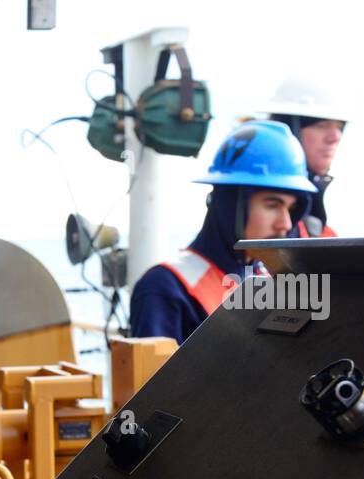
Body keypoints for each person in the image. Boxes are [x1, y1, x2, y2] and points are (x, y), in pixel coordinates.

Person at [128, 120, 316, 345]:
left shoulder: (267, 281)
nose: (285, 223)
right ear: (231, 205)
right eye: (272, 205)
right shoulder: (164, 289)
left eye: (291, 209)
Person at [266, 78, 348, 237]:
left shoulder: (322, 232)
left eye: (339, 127)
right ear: (289, 130)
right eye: (321, 125)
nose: (335, 137)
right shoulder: (259, 223)